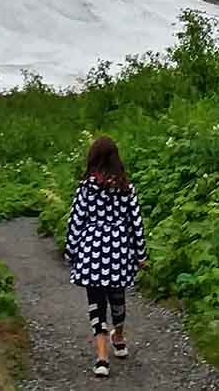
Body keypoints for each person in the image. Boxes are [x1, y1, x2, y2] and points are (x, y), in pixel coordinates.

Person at [65, 136, 147, 378]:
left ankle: (102, 359)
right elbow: (136, 223)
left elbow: (76, 222)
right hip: (119, 252)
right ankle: (118, 338)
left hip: (92, 252)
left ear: (93, 158)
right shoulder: (126, 188)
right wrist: (140, 253)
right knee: (117, 299)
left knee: (96, 305)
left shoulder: (86, 189)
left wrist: (71, 250)